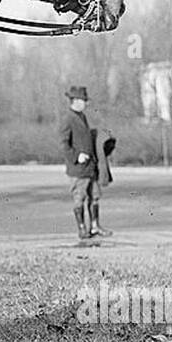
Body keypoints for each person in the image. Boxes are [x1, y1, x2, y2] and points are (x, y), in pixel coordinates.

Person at [59, 85, 114, 240]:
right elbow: (63, 144)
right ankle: (82, 229)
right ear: (75, 101)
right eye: (83, 100)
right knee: (80, 198)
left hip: (90, 166)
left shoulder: (81, 117)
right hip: (78, 168)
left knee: (94, 196)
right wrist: (76, 157)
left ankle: (95, 226)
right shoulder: (68, 119)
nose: (85, 103)